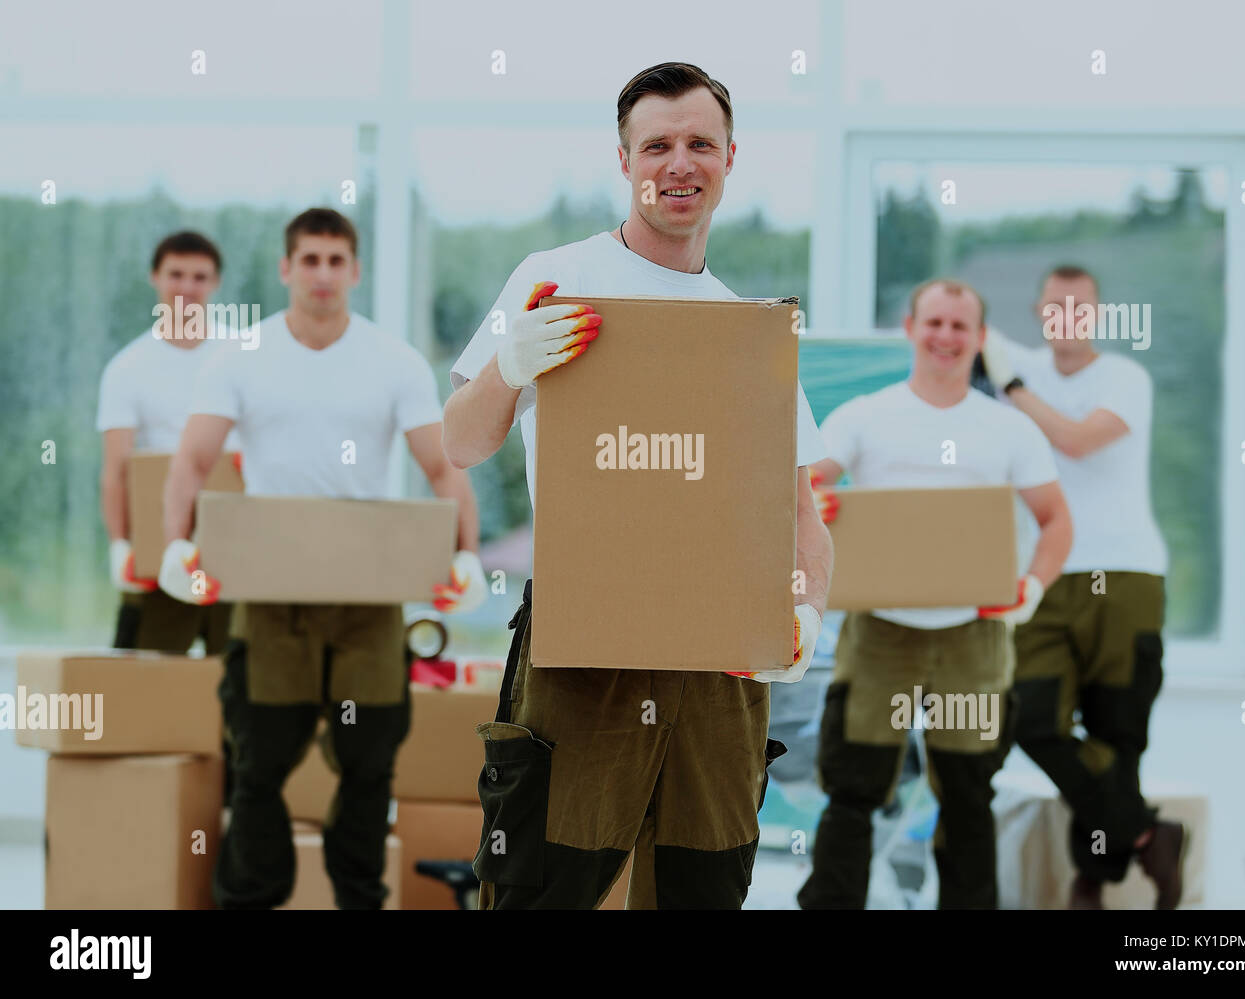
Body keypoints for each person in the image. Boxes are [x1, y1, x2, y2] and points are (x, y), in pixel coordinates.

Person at [441, 62, 833, 910]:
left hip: (721, 668)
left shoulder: (749, 333)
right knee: (544, 886)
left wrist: (802, 614)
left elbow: (801, 514)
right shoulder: (557, 280)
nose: (678, 164)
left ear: (732, 157)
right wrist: (511, 364)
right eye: (656, 144)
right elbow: (462, 441)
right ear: (624, 161)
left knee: (704, 890)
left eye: (700, 143)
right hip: (589, 648)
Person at [159, 207, 485, 909]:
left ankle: (358, 897)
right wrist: (176, 545)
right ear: (286, 268)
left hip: (368, 603)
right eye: (310, 259)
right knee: (259, 763)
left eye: (337, 261)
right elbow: (192, 458)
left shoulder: (392, 360)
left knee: (369, 766)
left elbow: (445, 464)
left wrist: (467, 554)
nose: (323, 274)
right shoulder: (241, 356)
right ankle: (252, 898)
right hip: (271, 599)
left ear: (355, 271)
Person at [798, 278, 1072, 910]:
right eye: (935, 323)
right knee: (852, 789)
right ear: (910, 329)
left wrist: (1031, 586)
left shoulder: (1009, 429)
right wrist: (815, 501)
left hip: (973, 639)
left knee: (968, 794)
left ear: (979, 339)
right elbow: (803, 490)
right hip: (879, 633)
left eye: (960, 327)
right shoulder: (865, 415)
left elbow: (1057, 520)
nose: (946, 337)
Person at [980, 264, 1184, 909]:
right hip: (1041, 573)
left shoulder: (1125, 377)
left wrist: (1010, 383)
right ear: (1040, 311)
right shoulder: (1016, 362)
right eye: (1056, 305)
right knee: (1034, 720)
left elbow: (1077, 442)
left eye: (1081, 306)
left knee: (1117, 732)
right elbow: (944, 328)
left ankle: (1091, 877)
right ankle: (1149, 832)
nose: (1067, 316)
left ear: (1098, 315)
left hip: (1125, 576)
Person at [97, 230, 237, 654]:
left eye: (199, 276)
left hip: (232, 542)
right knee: (149, 671)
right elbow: (117, 469)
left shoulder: (242, 353)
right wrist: (120, 545)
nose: (187, 287)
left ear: (215, 284)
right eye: (176, 274)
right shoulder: (127, 367)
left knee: (240, 675)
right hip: (157, 550)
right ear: (154, 277)